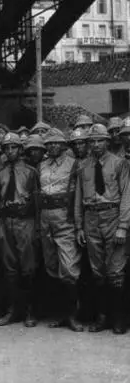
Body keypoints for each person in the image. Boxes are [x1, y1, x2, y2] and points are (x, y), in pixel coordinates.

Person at [74, 124, 130, 334]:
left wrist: (123, 226)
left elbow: (126, 196)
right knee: (98, 272)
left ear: (107, 141)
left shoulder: (119, 163)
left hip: (112, 216)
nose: (96, 144)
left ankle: (118, 317)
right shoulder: (83, 166)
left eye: (100, 140)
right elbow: (79, 198)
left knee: (115, 271)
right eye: (92, 141)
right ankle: (102, 316)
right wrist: (79, 225)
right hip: (91, 218)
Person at [39, 128, 84, 332]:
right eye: (49, 144)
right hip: (46, 218)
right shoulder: (42, 165)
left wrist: (76, 222)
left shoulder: (73, 164)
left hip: (64, 217)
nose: (52, 146)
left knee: (69, 268)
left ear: (64, 145)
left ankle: (72, 315)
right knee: (51, 266)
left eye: (56, 143)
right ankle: (59, 314)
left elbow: (77, 194)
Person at [0, 133, 39, 328]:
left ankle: (30, 310)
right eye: (7, 148)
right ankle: (13, 309)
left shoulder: (30, 172)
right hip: (6, 221)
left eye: (14, 147)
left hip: (24, 221)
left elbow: (37, 202)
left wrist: (37, 227)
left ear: (20, 150)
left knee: (27, 267)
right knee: (9, 267)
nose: (10, 151)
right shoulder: (0, 174)